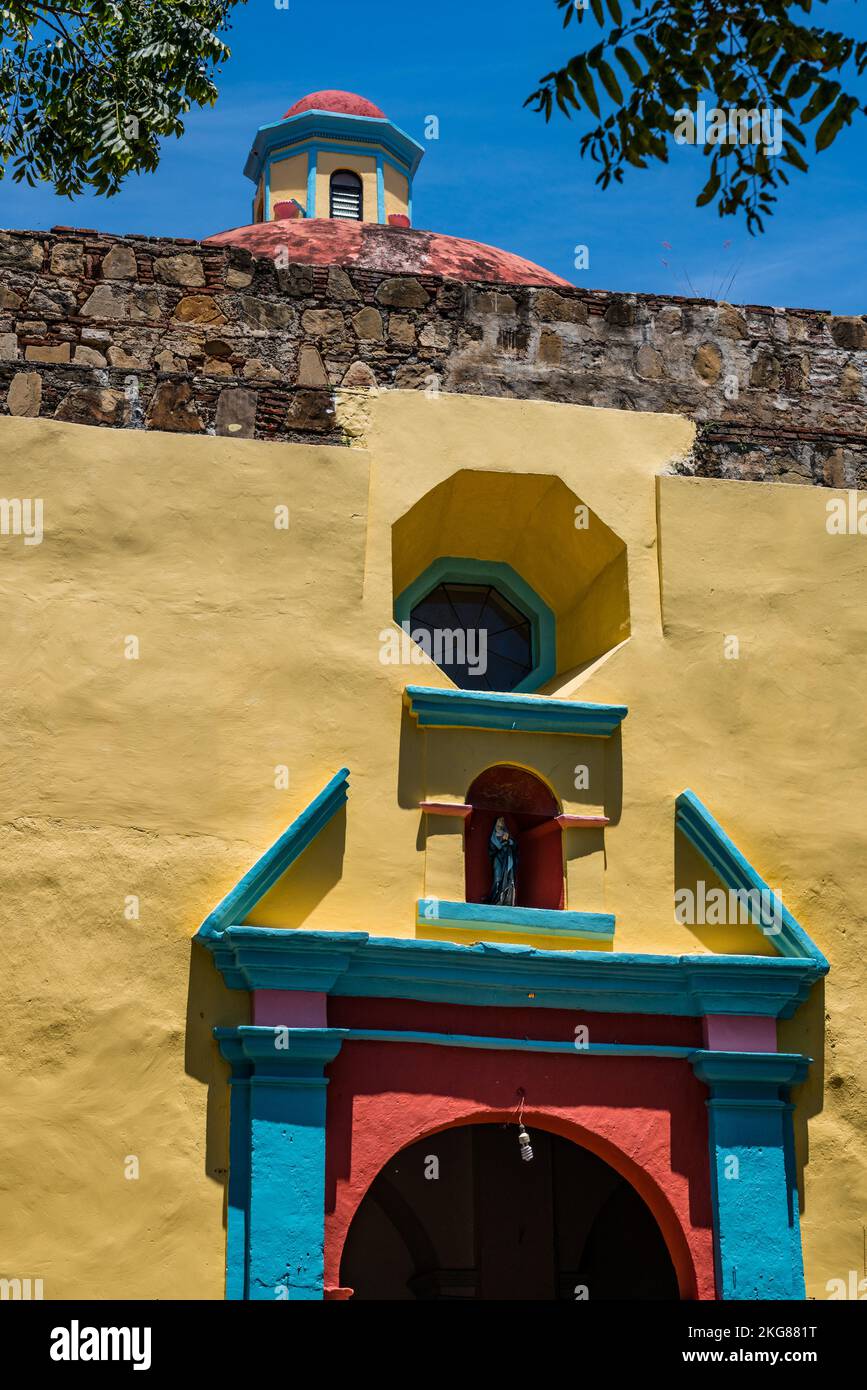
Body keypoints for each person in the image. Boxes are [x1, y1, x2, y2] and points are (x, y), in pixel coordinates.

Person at [485, 816, 518, 906]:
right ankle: (495, 899)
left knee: (509, 879)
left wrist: (509, 841)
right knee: (497, 879)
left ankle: (507, 900)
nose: (502, 822)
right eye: (500, 820)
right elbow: (492, 849)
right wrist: (502, 843)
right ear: (496, 822)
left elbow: (514, 845)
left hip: (507, 859)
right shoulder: (494, 836)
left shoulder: (506, 833)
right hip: (498, 859)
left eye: (503, 821)